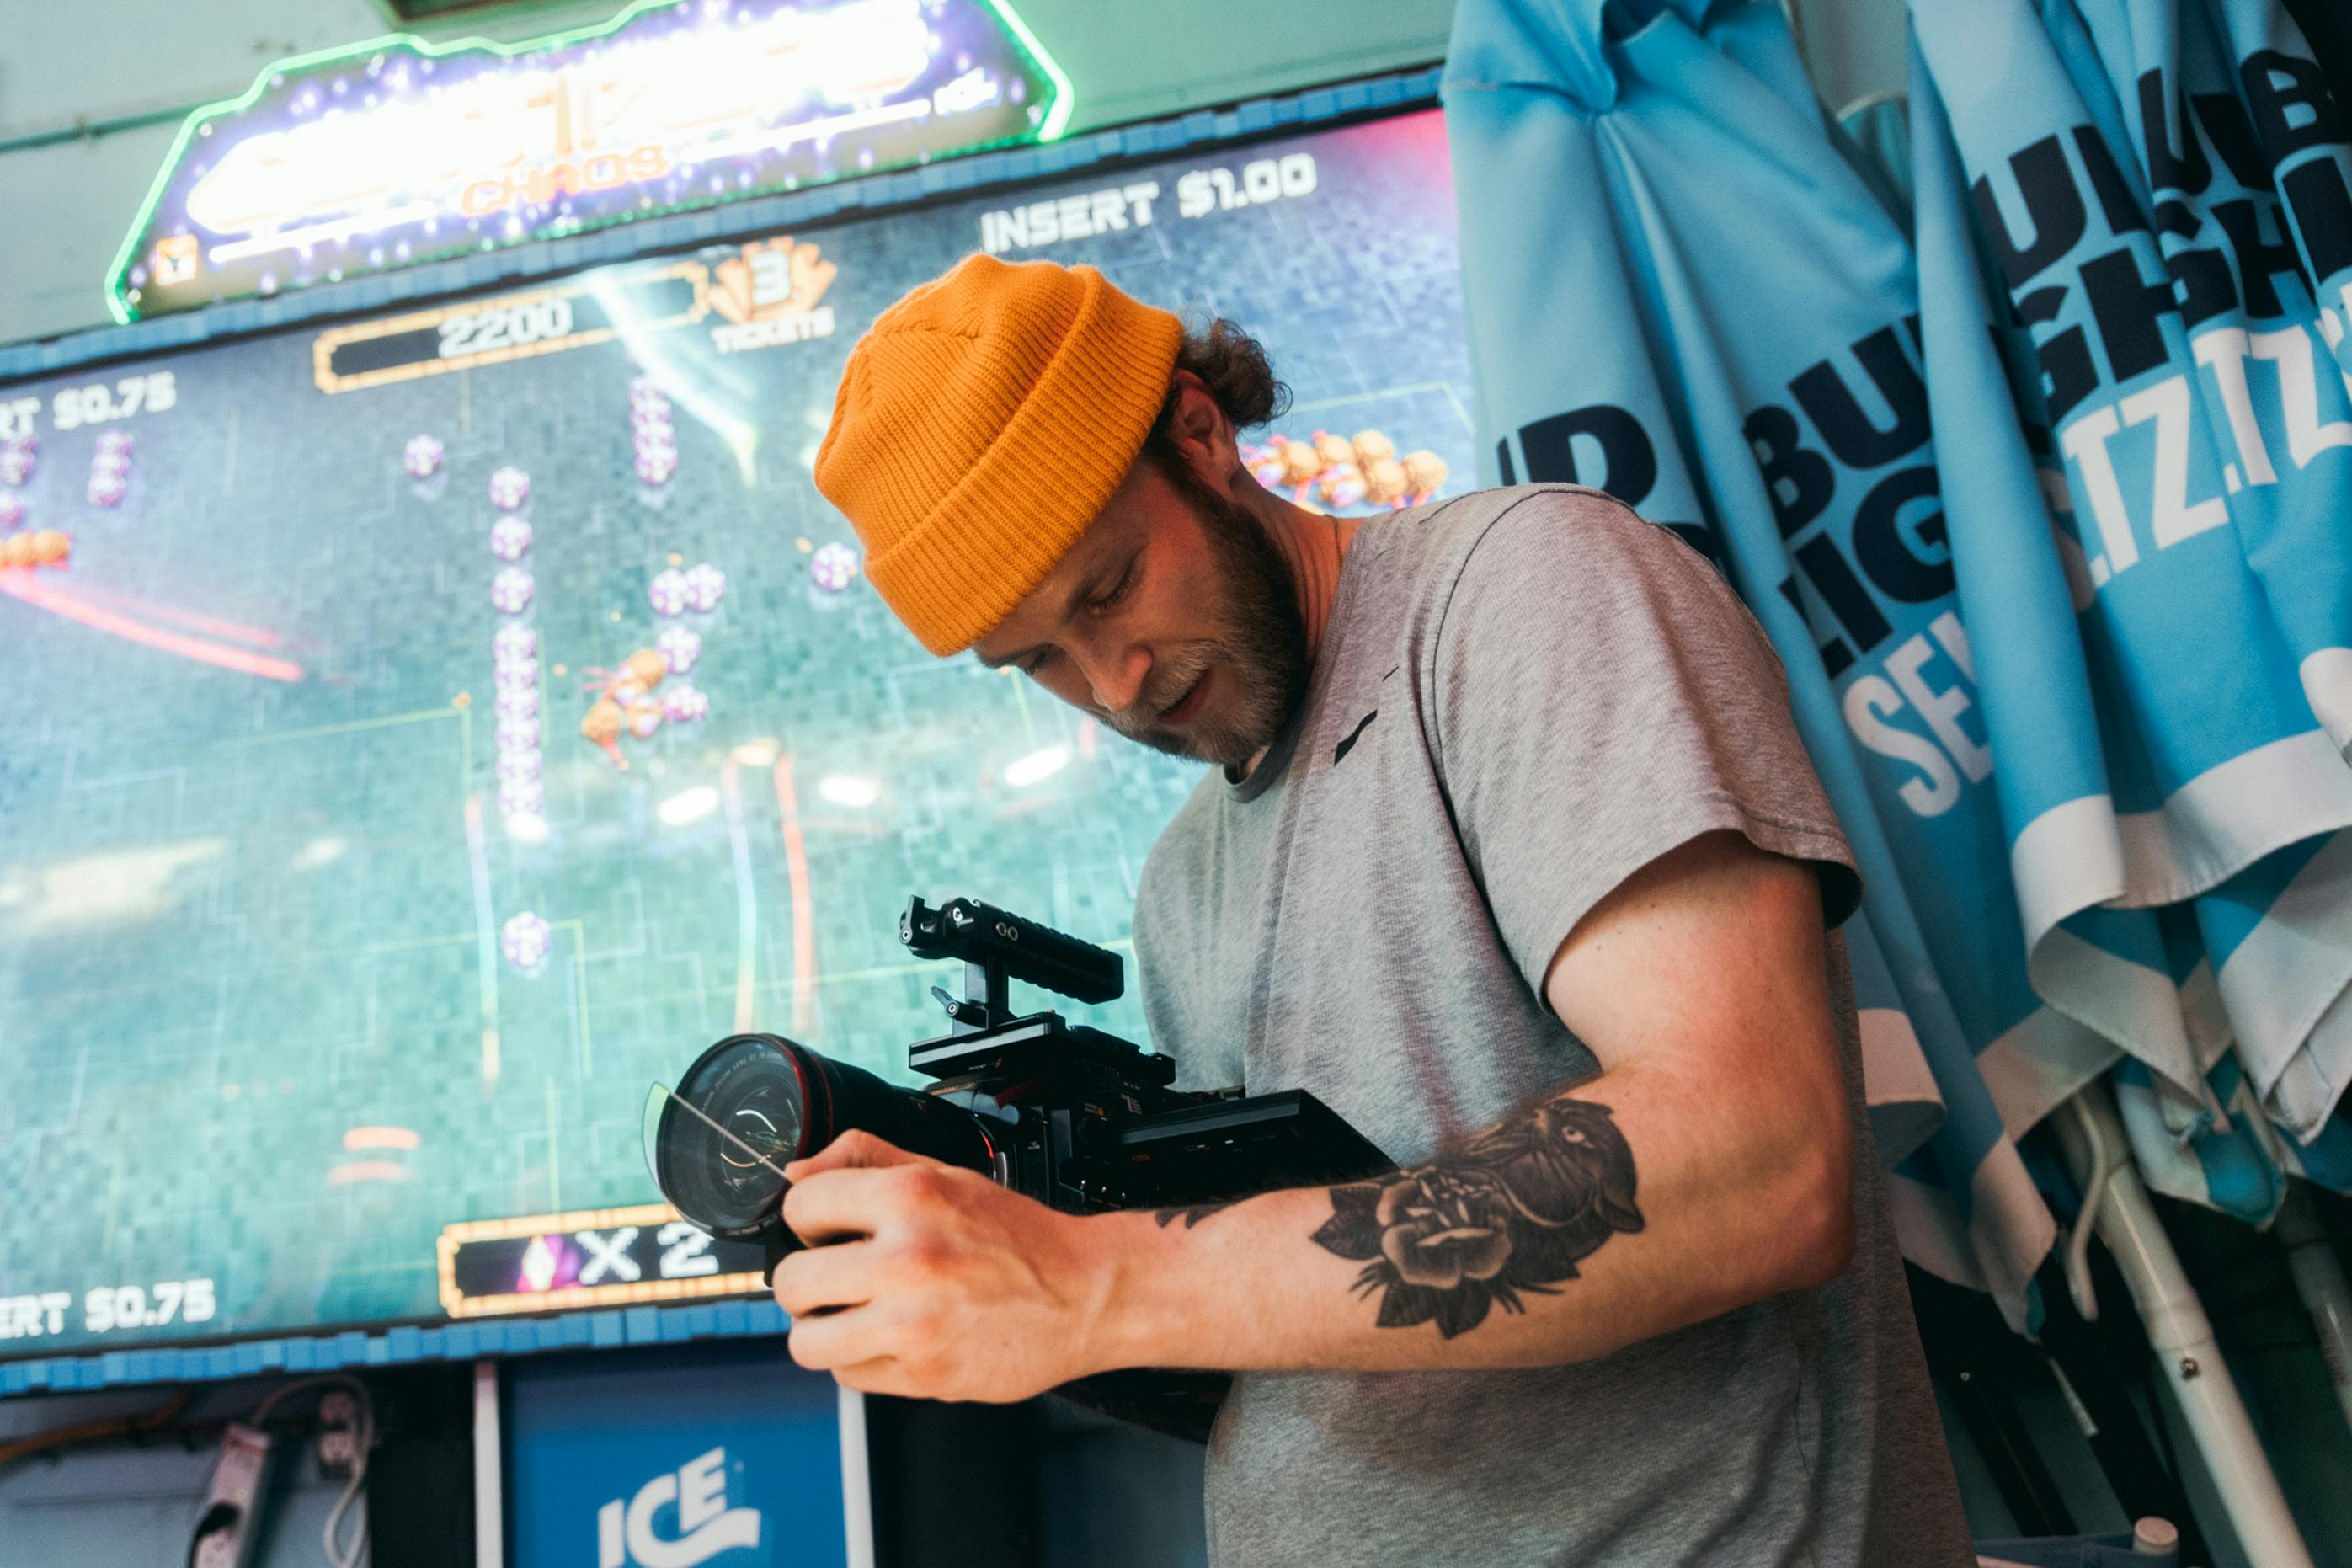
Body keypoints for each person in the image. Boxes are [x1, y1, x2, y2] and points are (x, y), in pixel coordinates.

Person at [790, 253, 1975, 1565]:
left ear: (1199, 432)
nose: (1114, 680)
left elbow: (1760, 1160)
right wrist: (1030, 1261)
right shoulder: (1185, 876)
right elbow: (1318, 1337)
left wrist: (1106, 1279)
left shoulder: (1521, 590)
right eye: (1037, 663)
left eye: (1109, 586)